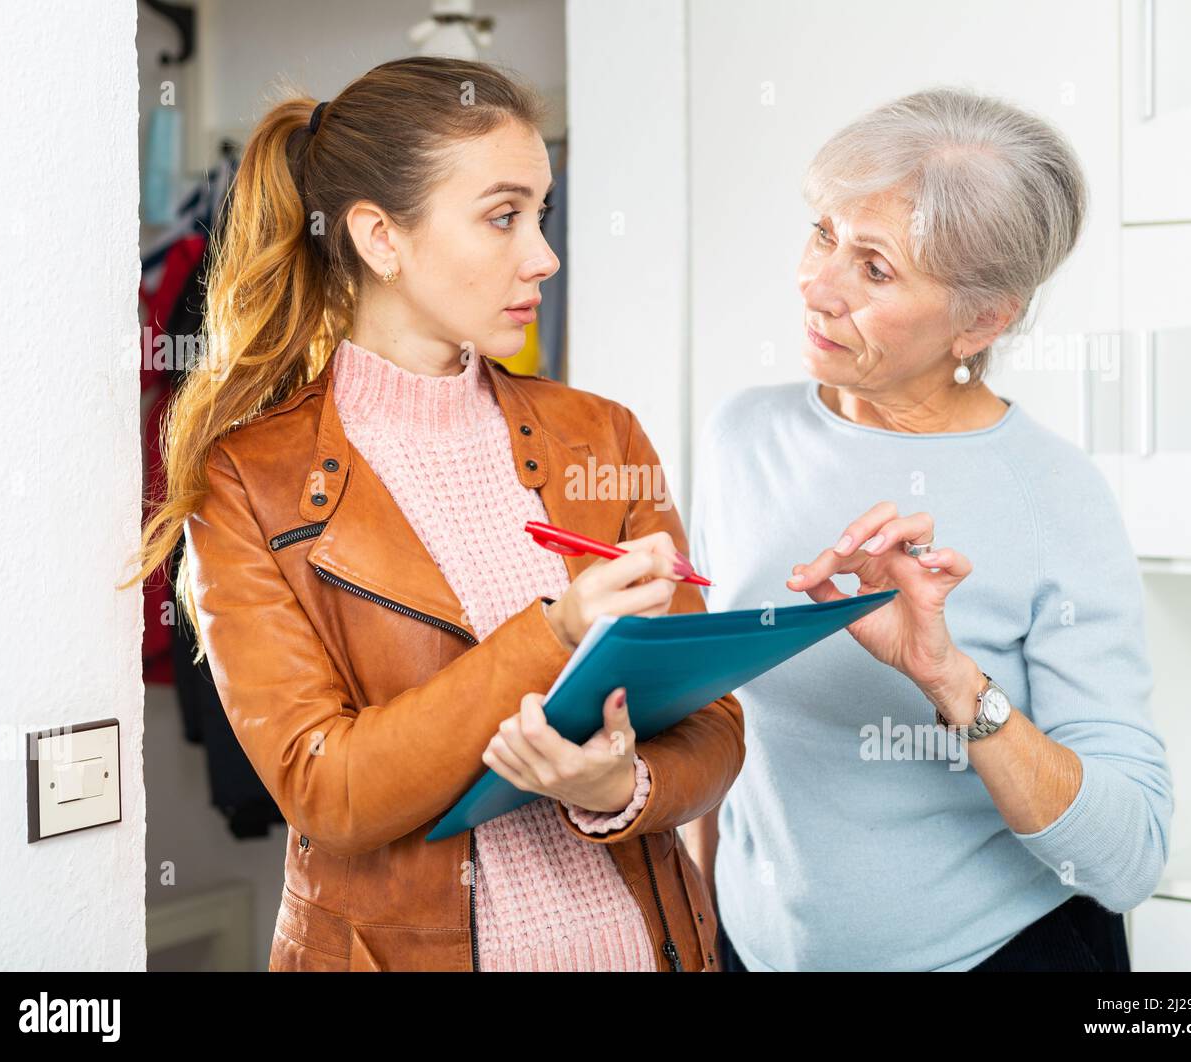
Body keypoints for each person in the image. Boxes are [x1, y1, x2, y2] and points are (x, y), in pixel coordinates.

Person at [123, 56, 741, 972]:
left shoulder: (602, 436)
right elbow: (327, 793)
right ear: (379, 236)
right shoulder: (247, 481)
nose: (544, 256)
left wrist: (625, 783)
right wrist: (555, 632)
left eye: (543, 215)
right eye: (503, 217)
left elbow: (714, 725)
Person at [683, 86, 1172, 972]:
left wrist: (948, 679)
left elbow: (1128, 857)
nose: (816, 286)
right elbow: (729, 718)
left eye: (875, 269)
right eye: (825, 234)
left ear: (983, 320)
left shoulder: (1056, 495)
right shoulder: (740, 436)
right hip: (749, 949)